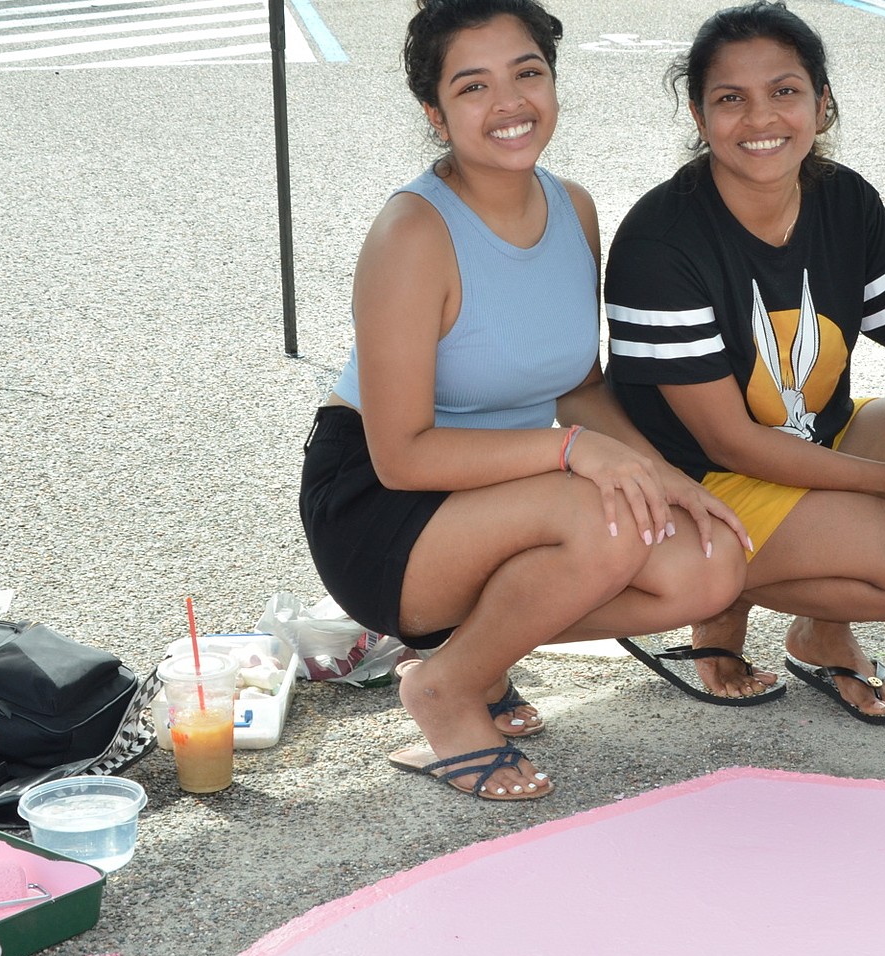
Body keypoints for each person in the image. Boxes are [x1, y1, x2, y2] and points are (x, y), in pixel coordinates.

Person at [298, 0, 750, 801]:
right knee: (602, 517)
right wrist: (575, 454)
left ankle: (473, 653)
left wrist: (664, 474)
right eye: (474, 87)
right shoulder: (411, 233)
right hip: (380, 506)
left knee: (708, 570)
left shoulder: (573, 207)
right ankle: (443, 686)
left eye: (527, 73)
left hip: (502, 493)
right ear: (435, 115)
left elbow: (578, 390)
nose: (509, 104)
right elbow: (401, 454)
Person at [603, 1, 885, 723]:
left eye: (785, 92)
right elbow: (732, 441)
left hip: (808, 444)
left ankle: (821, 631)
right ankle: (714, 598)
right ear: (698, 117)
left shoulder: (842, 200)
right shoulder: (659, 242)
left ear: (822, 105)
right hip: (701, 481)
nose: (761, 120)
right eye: (731, 99)